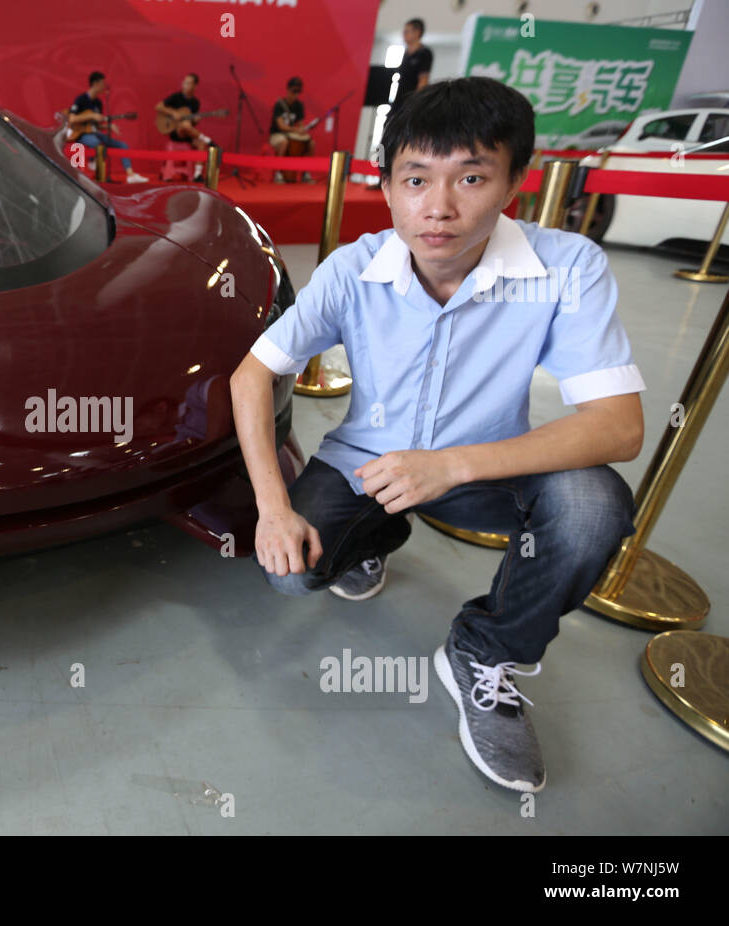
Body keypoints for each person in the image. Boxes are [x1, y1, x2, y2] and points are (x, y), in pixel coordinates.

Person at [229, 77, 644, 794]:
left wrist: (452, 465)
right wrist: (272, 504)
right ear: (386, 185)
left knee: (593, 505)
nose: (439, 208)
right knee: (290, 574)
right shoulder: (354, 269)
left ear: (515, 181)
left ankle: (484, 651)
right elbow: (251, 375)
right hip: (369, 464)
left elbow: (619, 426)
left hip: (486, 469)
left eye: (473, 177)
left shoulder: (567, 267)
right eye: (416, 179)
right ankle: (376, 536)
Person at [69, 71, 148, 183]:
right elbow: (72, 119)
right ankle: (95, 167)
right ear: (95, 83)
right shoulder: (81, 99)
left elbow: (96, 126)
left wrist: (108, 126)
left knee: (122, 145)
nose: (104, 86)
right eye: (102, 83)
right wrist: (91, 115)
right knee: (96, 143)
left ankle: (130, 175)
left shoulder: (98, 103)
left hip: (94, 132)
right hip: (81, 134)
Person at [269, 77, 314, 182]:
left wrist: (302, 130)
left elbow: (301, 124)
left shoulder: (299, 105)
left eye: (298, 91)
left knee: (311, 143)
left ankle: (306, 172)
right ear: (288, 90)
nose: (296, 94)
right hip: (277, 134)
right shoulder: (279, 105)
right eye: (294, 91)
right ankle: (278, 172)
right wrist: (296, 130)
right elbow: (281, 126)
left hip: (292, 135)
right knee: (284, 142)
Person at [398, 18, 433, 101]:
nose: (403, 34)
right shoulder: (405, 53)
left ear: (417, 32)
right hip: (400, 98)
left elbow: (423, 81)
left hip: (411, 100)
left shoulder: (424, 53)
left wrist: (415, 101)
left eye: (407, 31)